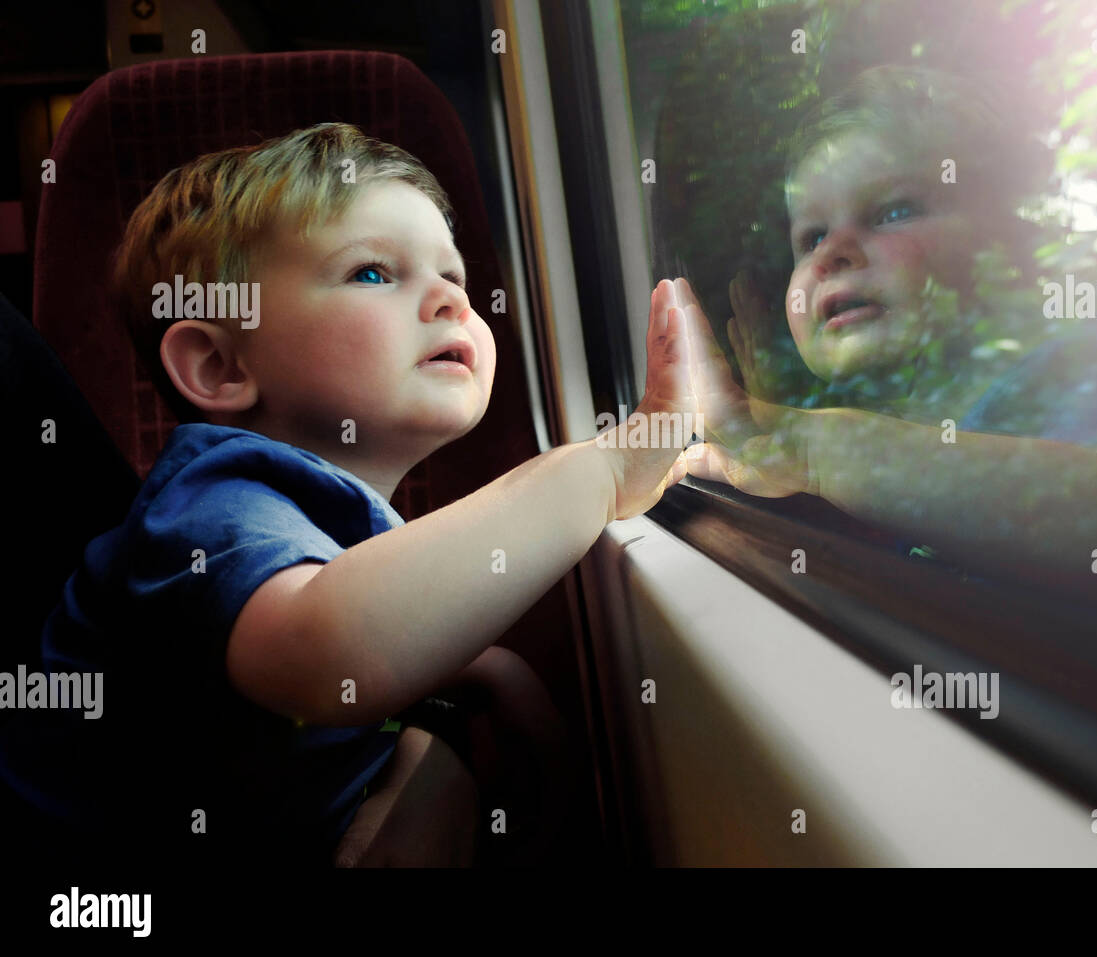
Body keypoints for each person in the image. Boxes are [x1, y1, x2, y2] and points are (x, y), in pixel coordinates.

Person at [0, 123, 703, 867]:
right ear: (218, 364)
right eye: (372, 272)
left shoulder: (327, 520)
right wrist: (603, 470)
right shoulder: (209, 508)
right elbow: (329, 648)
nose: (448, 301)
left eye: (455, 277)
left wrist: (478, 665)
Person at [680, 66, 1097, 606]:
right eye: (810, 236)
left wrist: (810, 450)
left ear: (1013, 252)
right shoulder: (864, 423)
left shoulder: (1069, 374)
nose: (834, 253)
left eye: (893, 211)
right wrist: (780, 438)